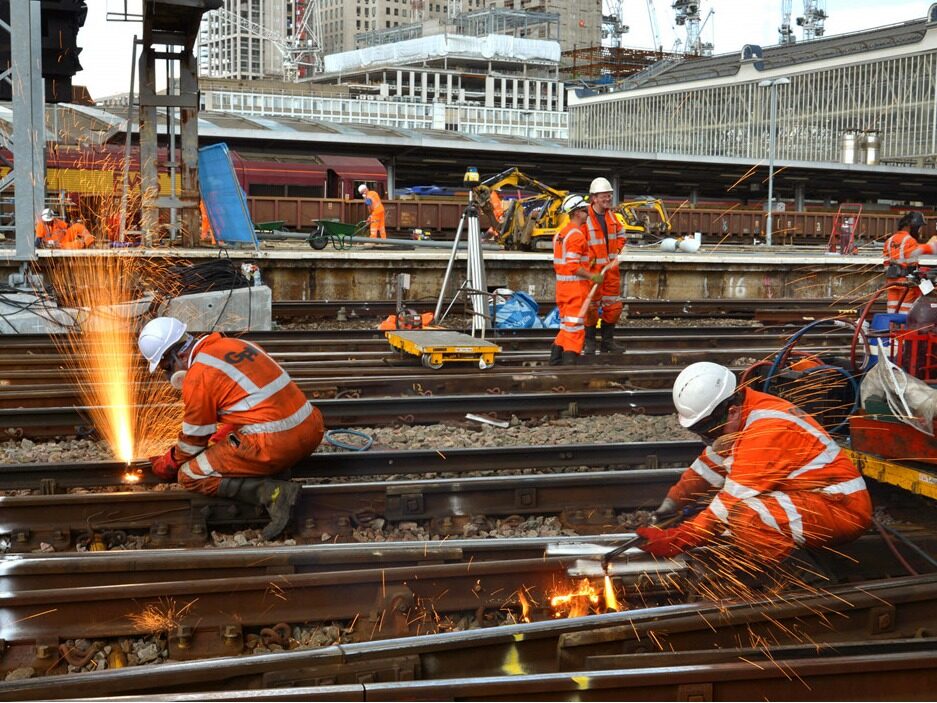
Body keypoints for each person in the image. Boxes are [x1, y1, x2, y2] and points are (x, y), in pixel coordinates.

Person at [637, 362, 872, 564]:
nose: (710, 438)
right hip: (809, 498)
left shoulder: (766, 431)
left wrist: (681, 538)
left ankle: (798, 576)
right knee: (717, 518)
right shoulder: (742, 417)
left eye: (710, 430)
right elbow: (707, 468)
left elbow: (730, 502)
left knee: (744, 517)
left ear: (732, 411)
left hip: (840, 507)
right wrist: (669, 506)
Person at [138, 317, 325, 540]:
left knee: (189, 474)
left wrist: (170, 461)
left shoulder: (199, 374)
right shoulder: (239, 345)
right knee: (224, 445)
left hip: (275, 443)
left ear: (178, 354)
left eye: (166, 367)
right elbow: (252, 403)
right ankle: (275, 470)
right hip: (312, 429)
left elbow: (193, 442)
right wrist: (220, 438)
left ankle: (273, 494)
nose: (169, 374)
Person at [549, 194, 603, 366]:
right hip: (575, 290)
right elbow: (573, 265)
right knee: (575, 329)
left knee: (567, 326)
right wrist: (592, 276)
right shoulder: (577, 236)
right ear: (576, 213)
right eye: (585, 211)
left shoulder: (560, 234)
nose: (587, 214)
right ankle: (569, 366)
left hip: (563, 288)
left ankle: (556, 360)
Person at [583, 177, 625, 354]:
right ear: (594, 198)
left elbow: (622, 234)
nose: (607, 199)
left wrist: (617, 250)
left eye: (609, 195)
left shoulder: (612, 217)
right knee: (591, 308)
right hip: (593, 272)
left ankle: (607, 342)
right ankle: (590, 342)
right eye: (604, 196)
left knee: (613, 307)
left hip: (611, 271)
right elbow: (579, 242)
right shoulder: (585, 217)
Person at [883, 211, 937, 314]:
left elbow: (886, 263)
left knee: (892, 308)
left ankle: (891, 328)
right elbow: (913, 255)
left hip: (891, 281)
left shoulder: (889, 240)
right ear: (913, 226)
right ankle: (904, 329)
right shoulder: (910, 240)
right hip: (905, 282)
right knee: (905, 310)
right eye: (919, 227)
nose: (919, 231)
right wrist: (932, 248)